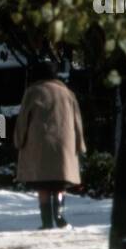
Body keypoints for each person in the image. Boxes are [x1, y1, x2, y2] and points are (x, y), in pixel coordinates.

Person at [13, 59, 86, 229]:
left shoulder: (32, 92)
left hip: (39, 145)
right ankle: (60, 216)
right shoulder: (67, 92)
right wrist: (80, 144)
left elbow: (23, 120)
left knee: (43, 184)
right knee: (59, 183)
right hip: (64, 145)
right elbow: (77, 121)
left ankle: (46, 222)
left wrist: (18, 140)